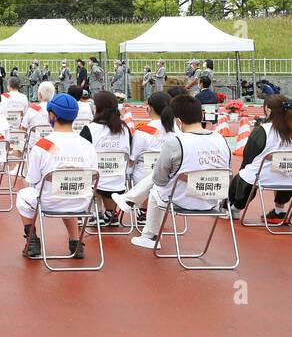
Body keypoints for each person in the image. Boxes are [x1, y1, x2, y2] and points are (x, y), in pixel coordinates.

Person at [125, 94, 232, 252]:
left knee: (155, 190)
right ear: (202, 115)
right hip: (214, 199)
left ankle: (150, 236)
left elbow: (159, 179)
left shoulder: (177, 142)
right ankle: (128, 201)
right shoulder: (221, 139)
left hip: (182, 200)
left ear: (178, 121)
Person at [16, 93, 98, 260]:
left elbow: (32, 180)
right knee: (68, 195)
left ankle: (32, 241)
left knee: (23, 196)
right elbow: (93, 176)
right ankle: (75, 242)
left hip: (49, 201)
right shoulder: (87, 145)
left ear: (52, 115)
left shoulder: (43, 144)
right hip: (82, 200)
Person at [227, 94, 292, 224]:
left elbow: (248, 158)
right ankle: (279, 211)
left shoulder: (263, 131)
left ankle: (233, 207)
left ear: (268, 110)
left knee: (243, 175)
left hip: (261, 178)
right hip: (288, 180)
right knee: (284, 173)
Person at [80, 90, 132, 226]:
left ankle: (95, 213)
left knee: (89, 169)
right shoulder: (125, 129)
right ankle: (111, 213)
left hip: (95, 182)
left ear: (97, 108)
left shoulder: (90, 129)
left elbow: (80, 155)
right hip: (119, 181)